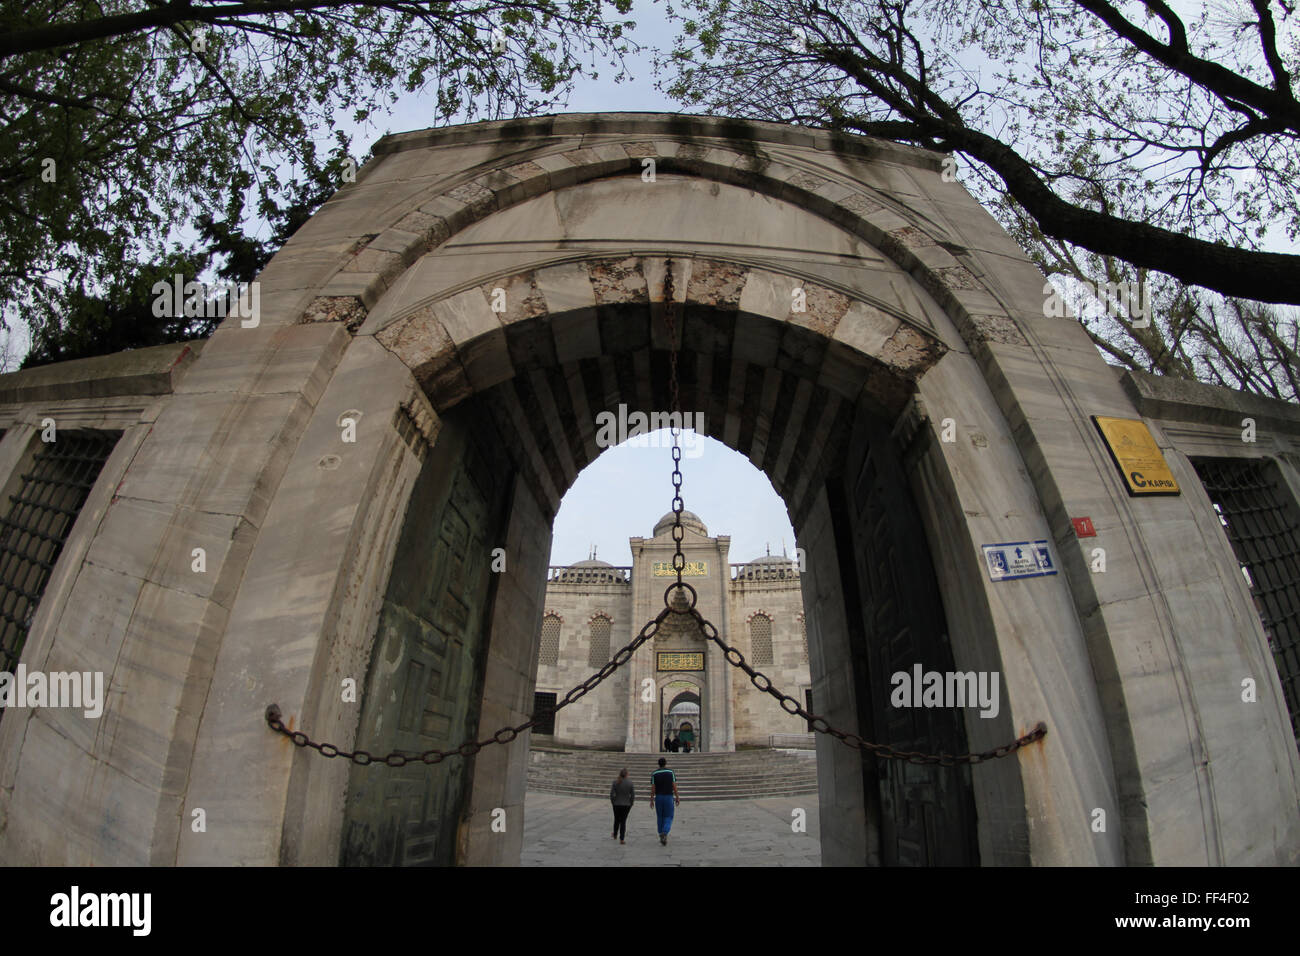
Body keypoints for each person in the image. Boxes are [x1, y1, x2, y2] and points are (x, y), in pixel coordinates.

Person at [650, 757, 680, 845]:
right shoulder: (670, 772)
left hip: (658, 797)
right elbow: (674, 785)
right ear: (665, 763)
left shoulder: (654, 773)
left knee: (660, 816)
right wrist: (677, 797)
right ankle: (665, 831)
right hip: (668, 797)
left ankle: (660, 833)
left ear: (658, 764)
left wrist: (651, 799)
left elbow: (653, 788)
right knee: (669, 816)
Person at [610, 768, 635, 844]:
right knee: (623, 821)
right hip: (626, 804)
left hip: (617, 804)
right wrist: (631, 803)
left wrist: (613, 802)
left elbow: (611, 794)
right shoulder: (630, 783)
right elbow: (632, 795)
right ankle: (622, 839)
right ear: (627, 774)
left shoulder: (615, 782)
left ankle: (615, 834)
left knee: (617, 819)